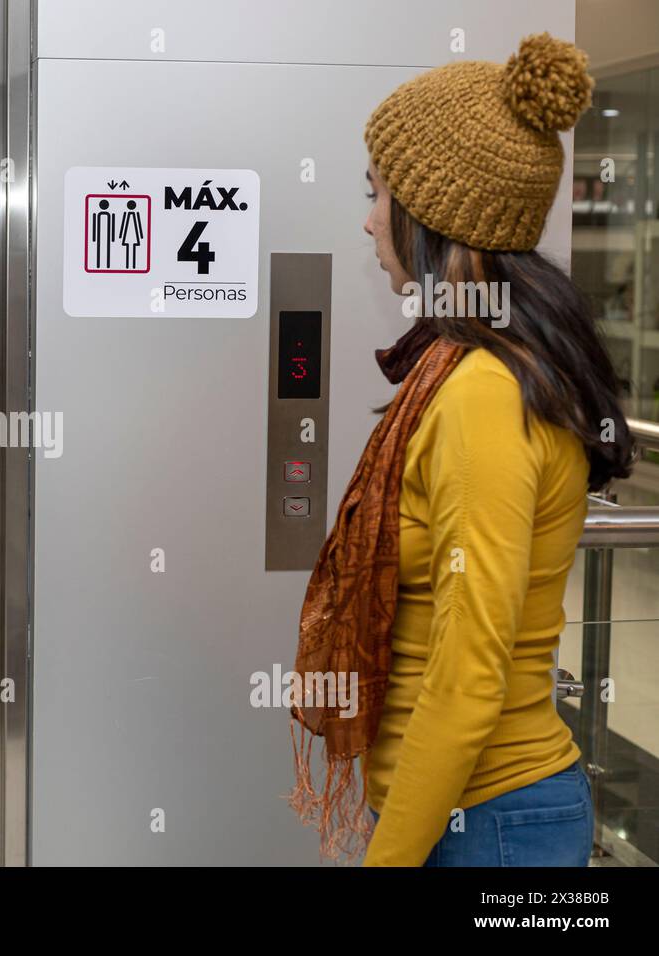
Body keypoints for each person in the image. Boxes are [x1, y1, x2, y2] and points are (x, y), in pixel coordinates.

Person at [287, 34, 635, 866]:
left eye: (379, 195)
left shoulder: (482, 392)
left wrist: (390, 857)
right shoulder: (468, 369)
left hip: (486, 823)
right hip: (473, 812)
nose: (369, 218)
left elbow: (469, 675)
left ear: (436, 216)